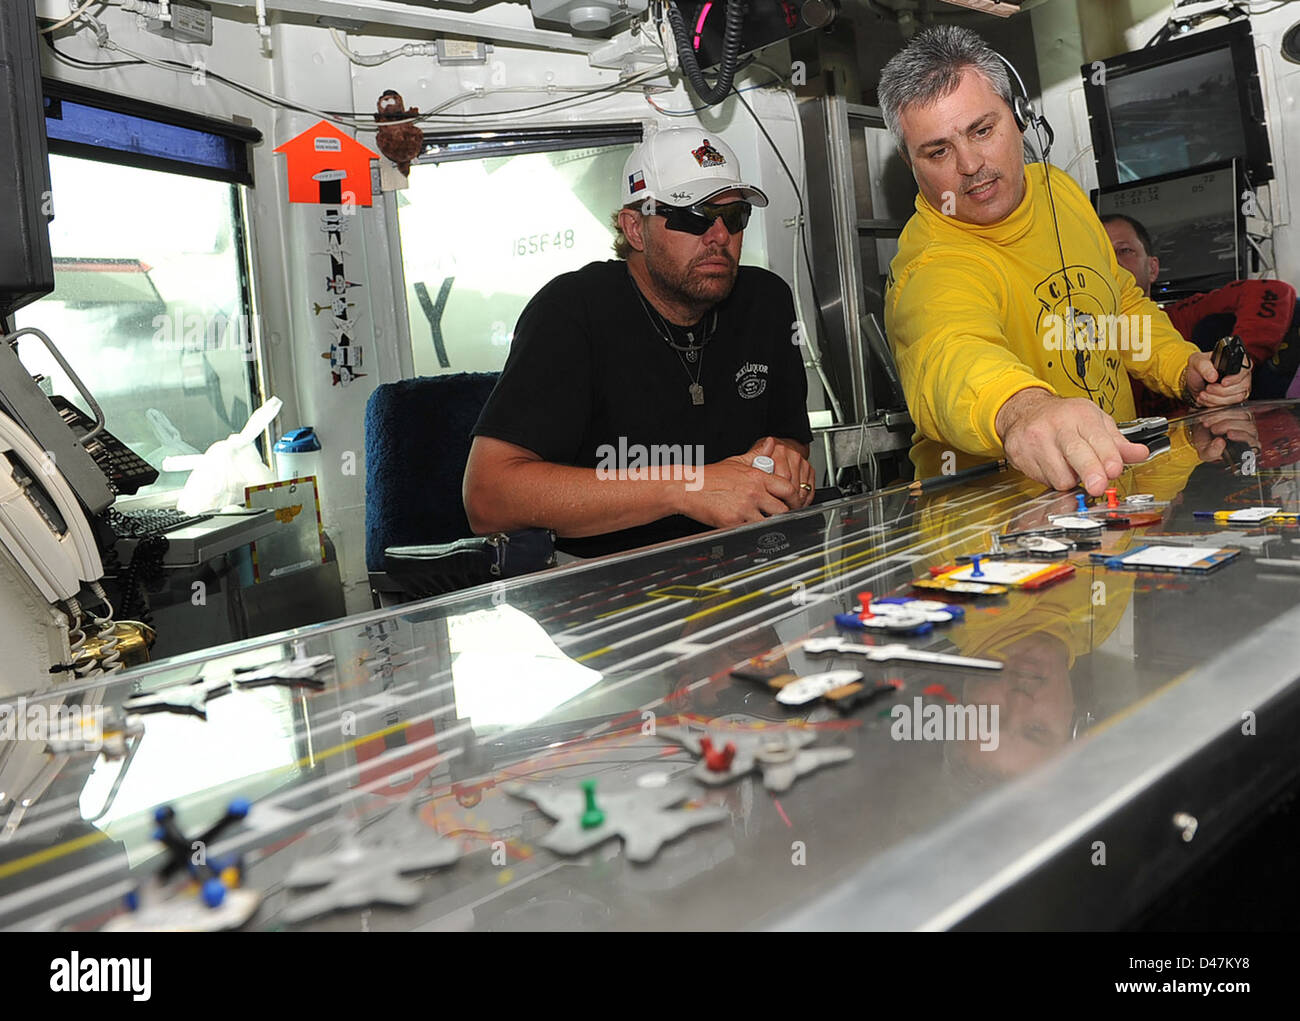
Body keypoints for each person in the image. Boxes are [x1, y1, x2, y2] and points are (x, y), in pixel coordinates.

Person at [877, 25, 1252, 496]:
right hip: (991, 514)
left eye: (982, 130)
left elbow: (1118, 302)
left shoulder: (1057, 191)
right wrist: (1024, 409)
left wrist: (1184, 368)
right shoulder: (930, 265)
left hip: (1109, 487)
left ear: (1019, 119)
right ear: (911, 163)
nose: (970, 164)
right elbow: (950, 355)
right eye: (938, 151)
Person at [463, 129, 815, 558]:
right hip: (607, 581)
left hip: (745, 562)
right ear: (635, 228)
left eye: (735, 217)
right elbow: (487, 497)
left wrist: (782, 467)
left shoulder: (766, 301)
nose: (720, 236)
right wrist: (687, 487)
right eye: (693, 216)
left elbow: (790, 441)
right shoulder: (572, 310)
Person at [1102, 213, 1297, 413]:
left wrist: (1237, 363)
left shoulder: (1181, 316)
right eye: (1103, 256)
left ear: (1153, 268)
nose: (1114, 266)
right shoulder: (1082, 338)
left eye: (1124, 251)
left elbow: (1271, 291)